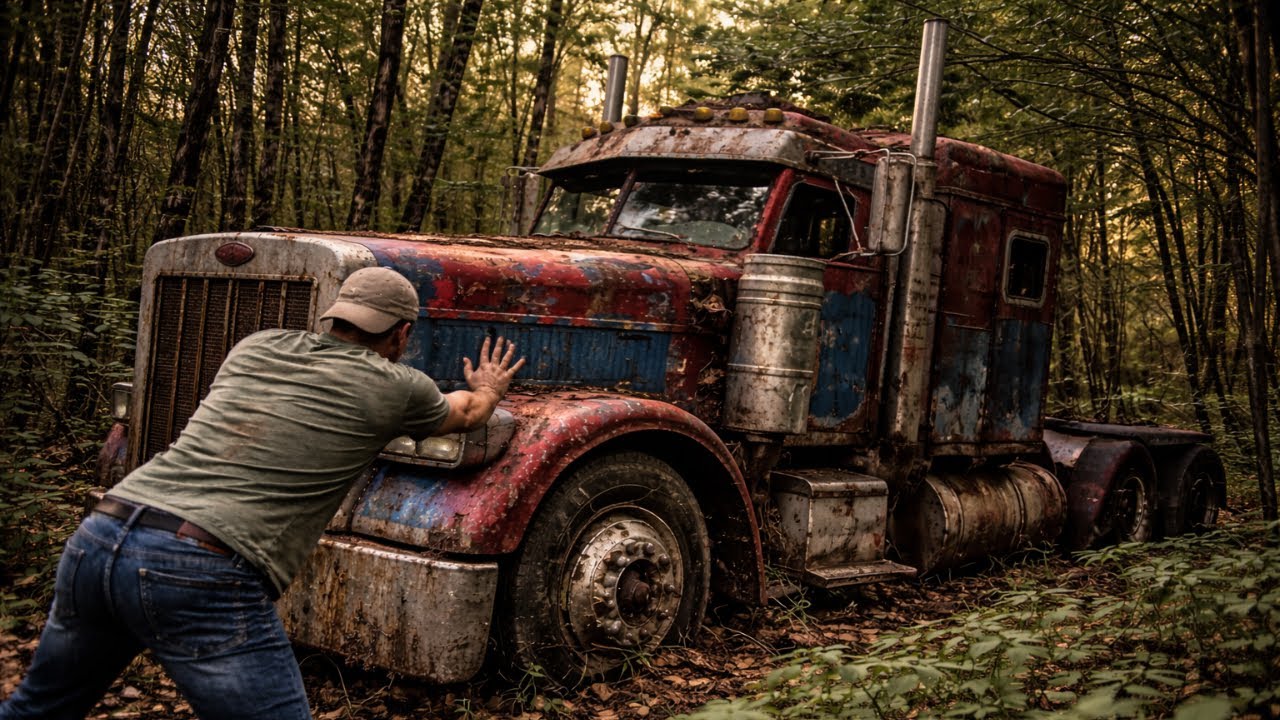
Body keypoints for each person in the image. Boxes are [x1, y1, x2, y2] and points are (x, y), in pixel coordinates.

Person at [0, 267, 525, 720]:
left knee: (39, 709)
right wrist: (489, 386)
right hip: (196, 564)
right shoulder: (396, 386)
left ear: (334, 315)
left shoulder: (257, 345)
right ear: (402, 333)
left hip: (102, 533)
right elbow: (468, 414)